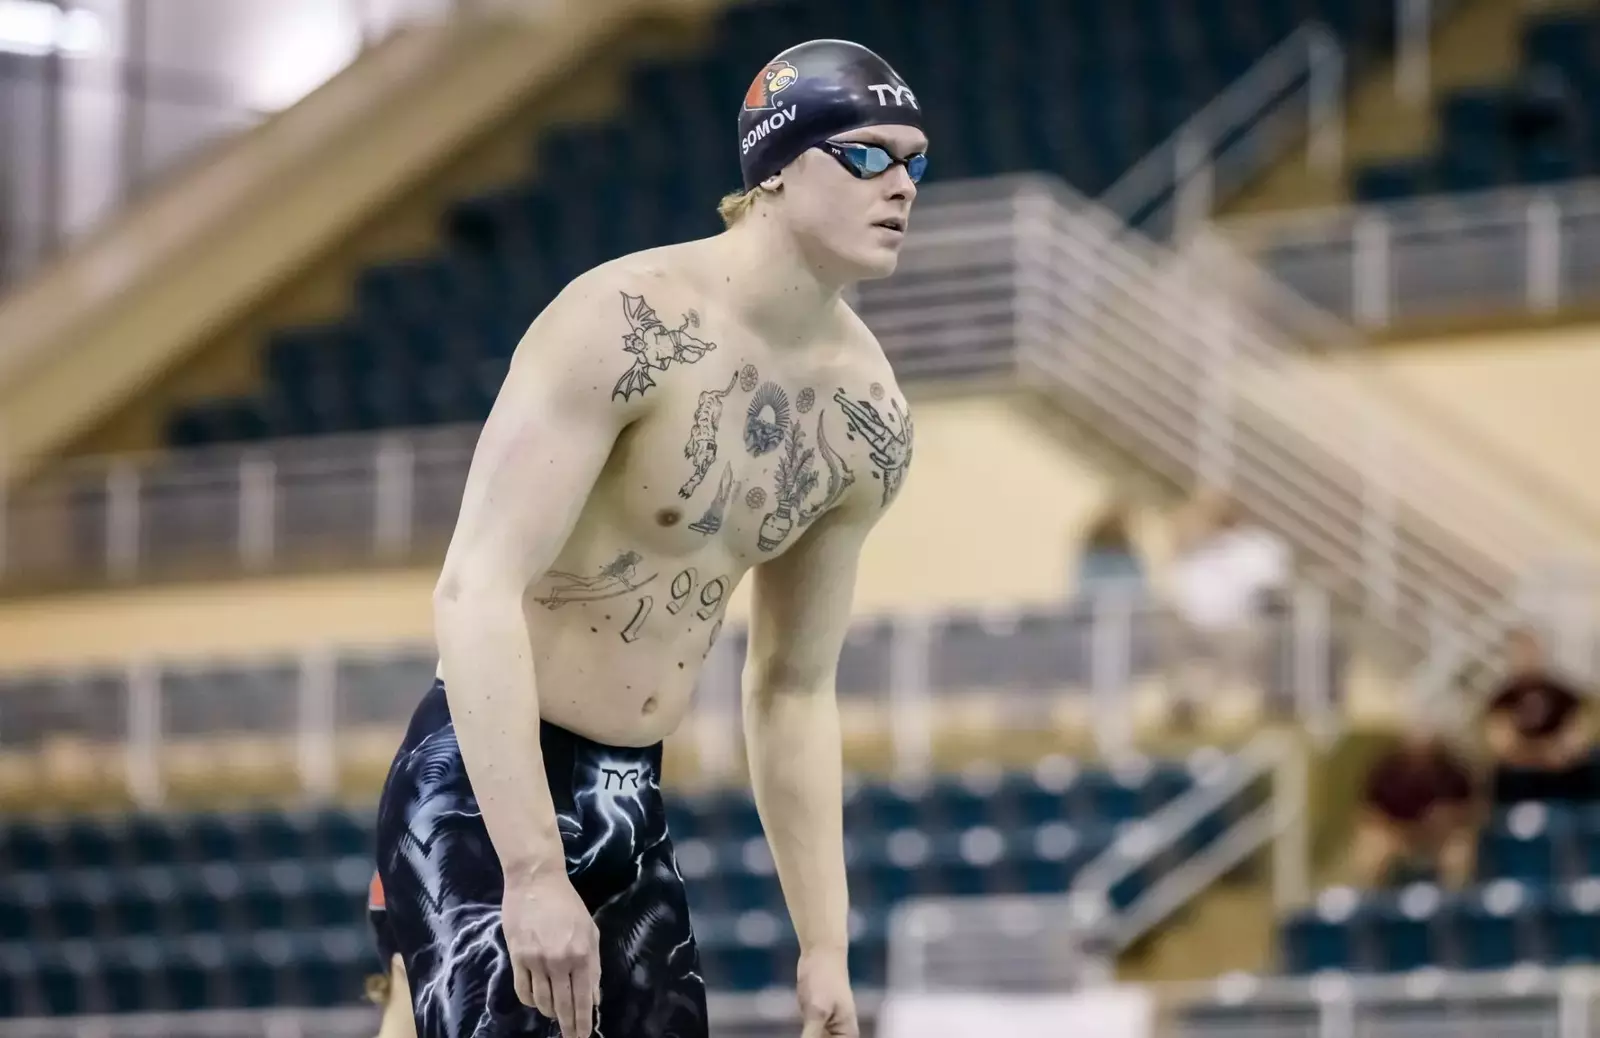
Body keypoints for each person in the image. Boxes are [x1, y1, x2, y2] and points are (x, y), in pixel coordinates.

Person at [373, 38, 927, 1038]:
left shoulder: (866, 419)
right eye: (865, 156)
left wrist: (825, 944)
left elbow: (793, 687)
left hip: (633, 800)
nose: (900, 185)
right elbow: (475, 588)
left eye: (913, 161)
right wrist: (532, 867)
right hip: (480, 782)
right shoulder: (625, 325)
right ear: (772, 169)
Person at [1348, 730, 1483, 890]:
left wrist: (1448, 819)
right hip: (1397, 833)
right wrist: (1393, 828)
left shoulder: (1453, 769)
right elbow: (1368, 812)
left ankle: (1454, 906)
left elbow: (1471, 810)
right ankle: (1368, 906)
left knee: (1459, 851)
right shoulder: (1387, 768)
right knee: (1371, 848)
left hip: (1440, 838)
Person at [1482, 626, 1596, 804]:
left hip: (1567, 775)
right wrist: (1542, 754)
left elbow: (1579, 737)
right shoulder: (1501, 699)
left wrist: (1559, 752)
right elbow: (1504, 746)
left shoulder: (1564, 694)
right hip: (1522, 781)